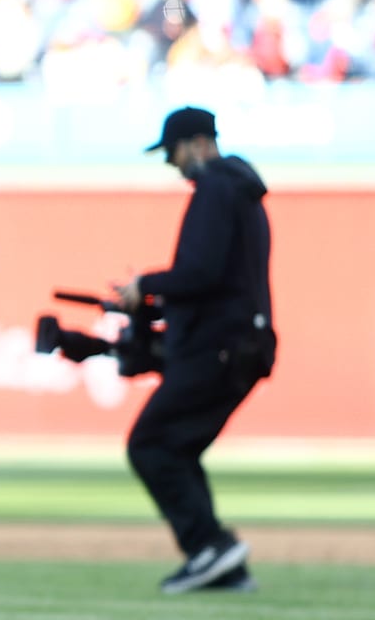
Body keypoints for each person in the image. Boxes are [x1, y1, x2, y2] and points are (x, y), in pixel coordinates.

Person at [113, 105, 277, 595]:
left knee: (150, 444)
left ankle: (209, 546)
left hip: (220, 348)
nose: (171, 163)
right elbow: (217, 278)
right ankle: (221, 563)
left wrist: (146, 285)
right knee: (176, 447)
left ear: (200, 143)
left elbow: (200, 273)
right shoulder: (239, 191)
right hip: (238, 344)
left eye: (174, 152)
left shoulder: (216, 188)